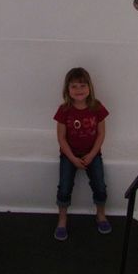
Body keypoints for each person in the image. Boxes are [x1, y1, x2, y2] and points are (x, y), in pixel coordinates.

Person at [53, 67, 111, 241]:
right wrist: (72, 158)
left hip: (92, 155)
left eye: (82, 86)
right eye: (74, 87)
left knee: (99, 184)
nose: (79, 90)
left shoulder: (97, 107)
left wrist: (92, 155)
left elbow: (101, 134)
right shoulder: (64, 110)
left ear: (89, 87)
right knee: (64, 186)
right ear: (67, 90)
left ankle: (101, 214)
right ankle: (62, 218)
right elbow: (61, 138)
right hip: (69, 155)